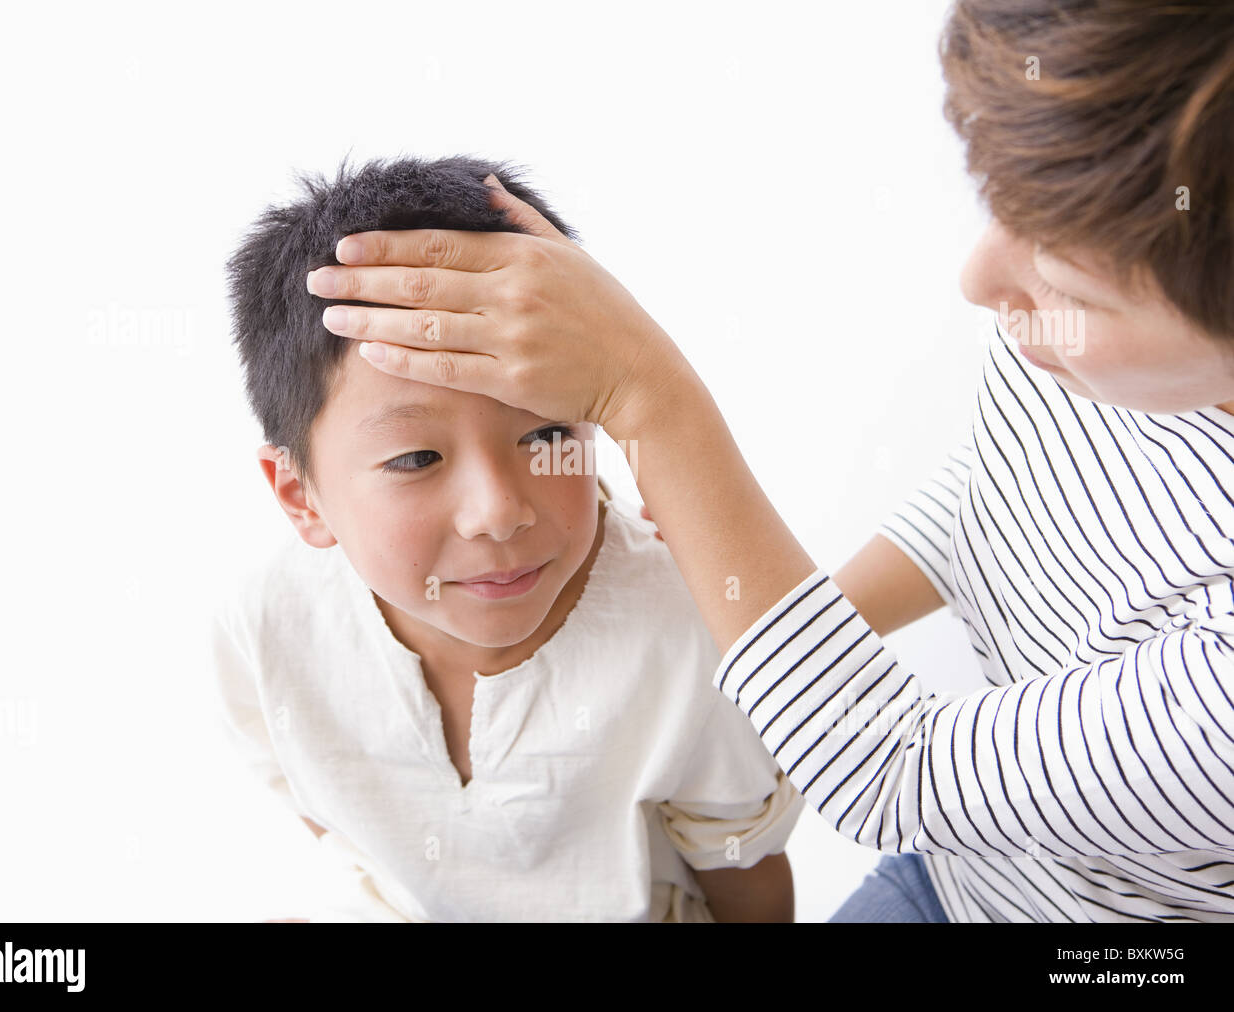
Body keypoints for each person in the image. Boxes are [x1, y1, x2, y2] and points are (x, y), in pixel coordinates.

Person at [309, 2, 1234, 921]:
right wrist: (738, 638)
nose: (983, 284)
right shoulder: (1083, 330)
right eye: (1004, 206)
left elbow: (894, 770)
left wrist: (650, 401)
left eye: (1069, 285)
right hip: (961, 869)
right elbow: (1010, 491)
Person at [211, 154, 804, 922]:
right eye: (417, 458)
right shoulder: (265, 633)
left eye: (547, 433)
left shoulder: (681, 628)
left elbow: (747, 879)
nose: (497, 512)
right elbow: (331, 819)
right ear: (301, 496)